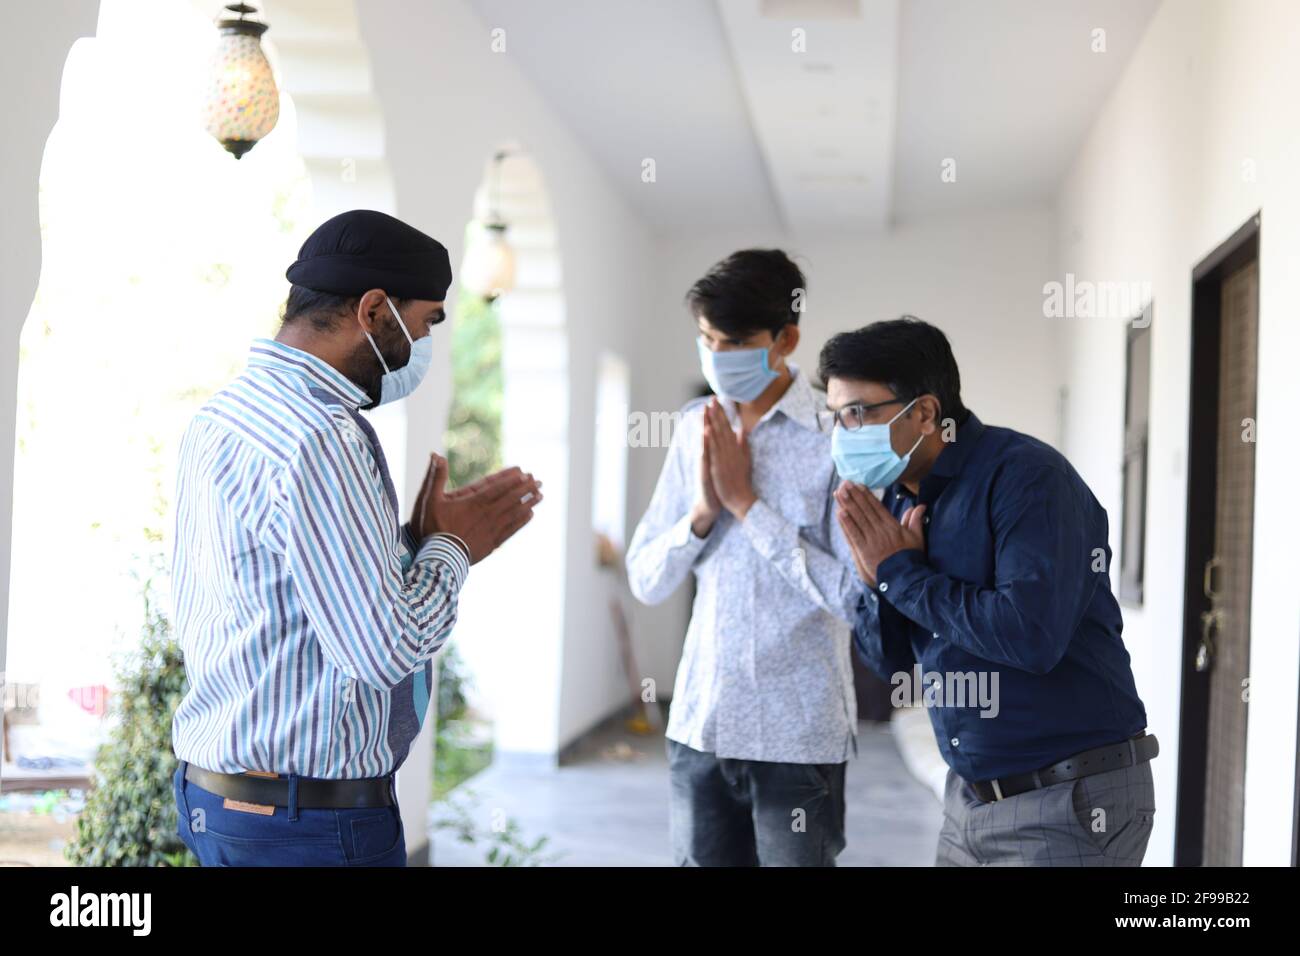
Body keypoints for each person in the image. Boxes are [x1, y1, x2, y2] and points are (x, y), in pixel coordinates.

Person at [169, 209, 542, 866]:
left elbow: (281, 590)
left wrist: (408, 542)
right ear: (374, 311)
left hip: (222, 803)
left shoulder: (225, 415)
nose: (423, 346)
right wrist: (453, 549)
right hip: (306, 825)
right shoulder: (321, 435)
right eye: (425, 323)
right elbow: (383, 649)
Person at [822, 316, 1158, 866]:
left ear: (925, 412)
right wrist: (877, 581)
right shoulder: (896, 501)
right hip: (969, 800)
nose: (843, 431)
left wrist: (900, 573)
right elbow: (894, 665)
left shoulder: (1027, 478)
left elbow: (1030, 635)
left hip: (1066, 798)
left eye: (858, 413)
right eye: (835, 416)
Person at [625, 249, 860, 866]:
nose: (716, 356)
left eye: (733, 341)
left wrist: (747, 505)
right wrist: (704, 514)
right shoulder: (691, 429)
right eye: (706, 339)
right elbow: (647, 577)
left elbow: (855, 598)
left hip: (799, 735)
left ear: (787, 338)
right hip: (701, 723)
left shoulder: (836, 441)